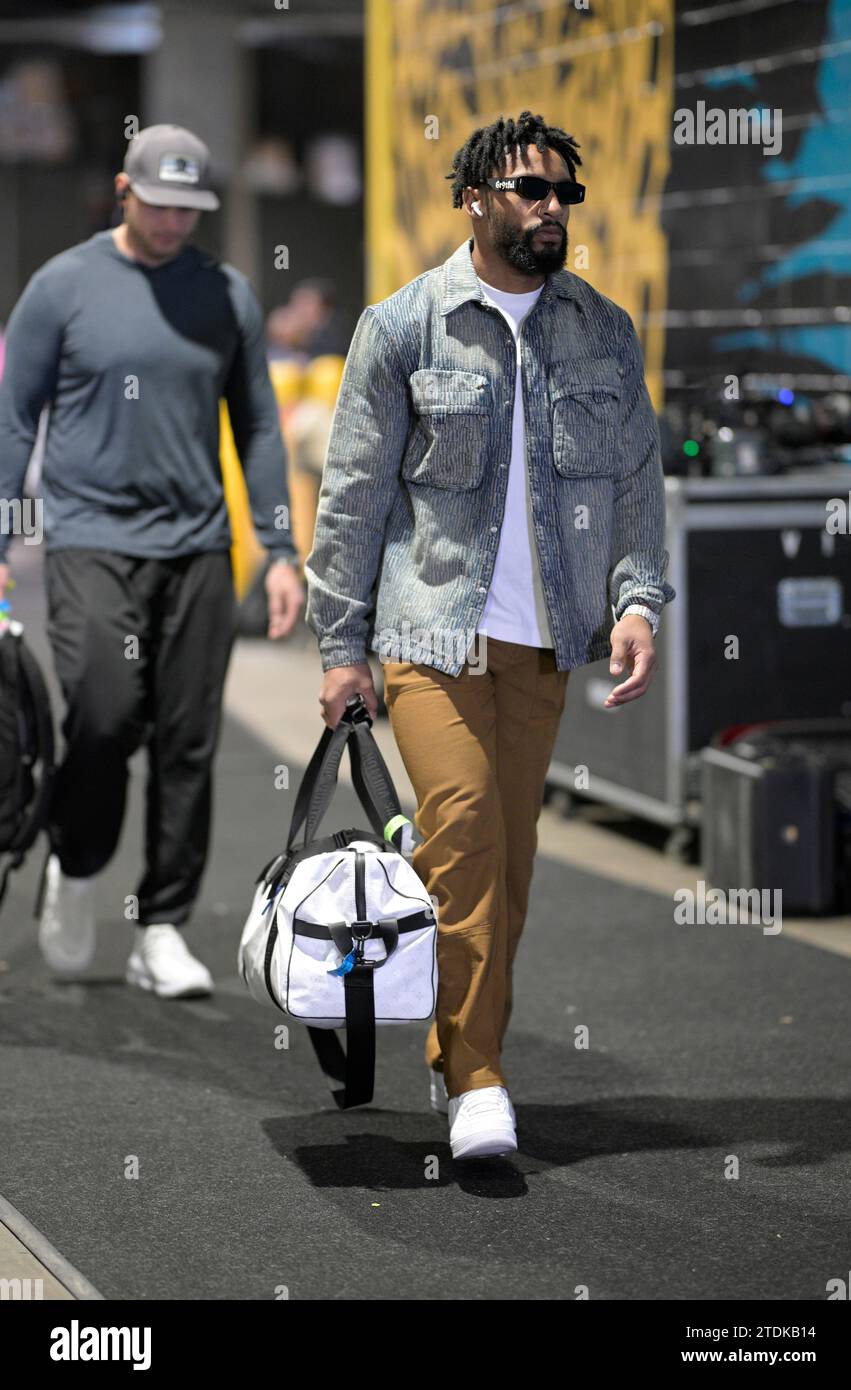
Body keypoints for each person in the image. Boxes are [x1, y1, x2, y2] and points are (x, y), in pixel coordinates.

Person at [304, 110, 676, 1161]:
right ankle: (477, 1078)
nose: (549, 207)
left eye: (563, 193)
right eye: (527, 189)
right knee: (460, 831)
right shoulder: (405, 326)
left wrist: (638, 598)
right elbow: (351, 498)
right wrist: (340, 648)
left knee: (505, 870)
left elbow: (635, 484)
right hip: (430, 635)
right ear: (475, 197)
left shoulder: (602, 331)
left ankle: (448, 1041)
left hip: (543, 646)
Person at [0, 123, 305, 997]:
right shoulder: (63, 286)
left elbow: (256, 426)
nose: (175, 223)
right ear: (125, 190)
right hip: (91, 537)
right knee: (102, 713)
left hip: (199, 547)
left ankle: (162, 926)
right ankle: (78, 858)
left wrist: (280, 549)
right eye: (161, 204)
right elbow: (15, 423)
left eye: (190, 208)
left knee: (188, 739)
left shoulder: (226, 293)